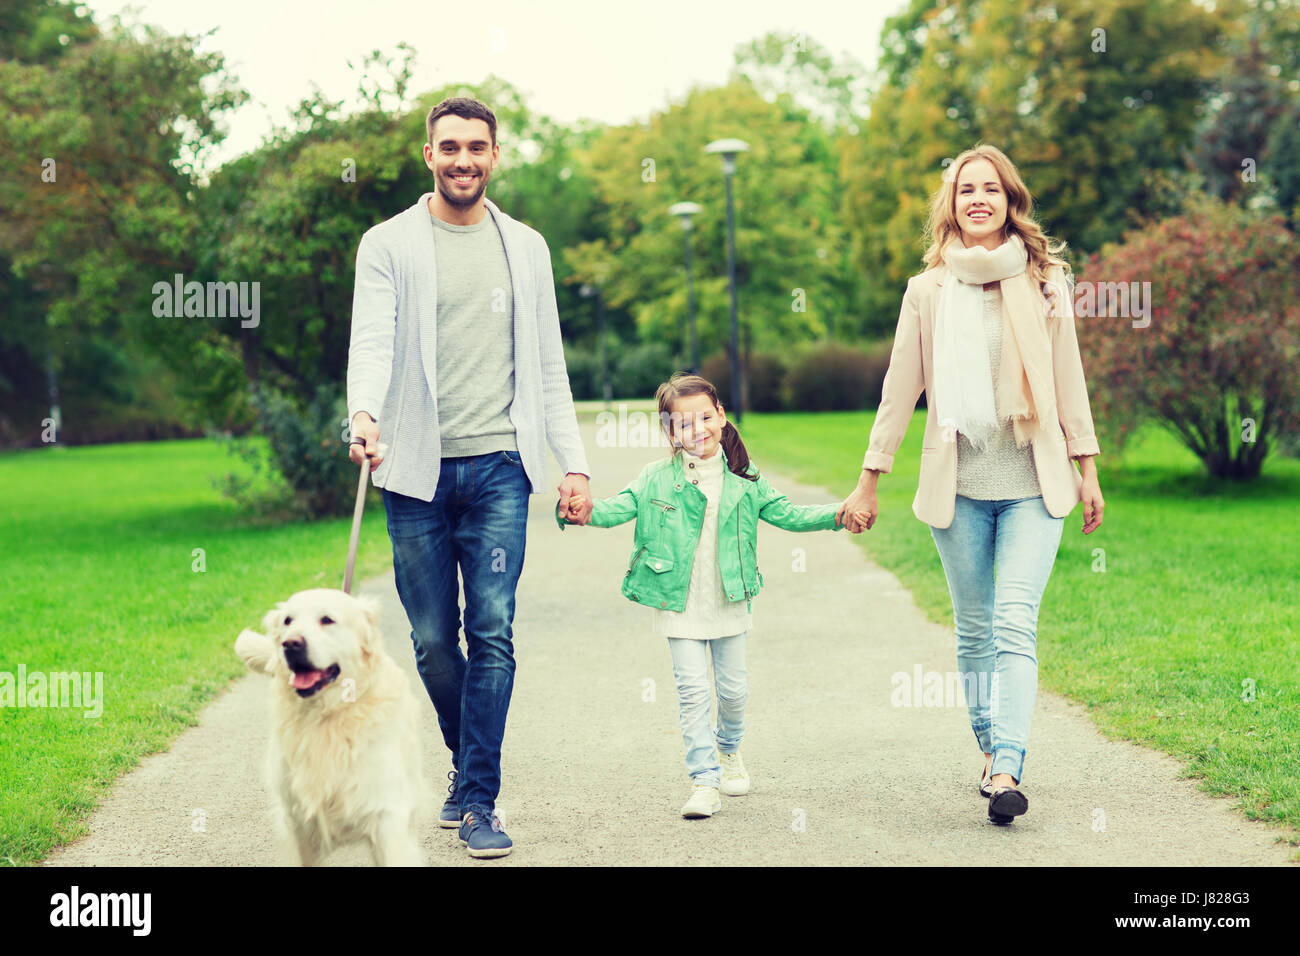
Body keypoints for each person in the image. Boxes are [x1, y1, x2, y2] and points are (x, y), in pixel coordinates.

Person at [346, 96, 594, 859]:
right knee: (429, 640)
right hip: (413, 470)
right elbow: (373, 341)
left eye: (476, 148)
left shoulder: (526, 247)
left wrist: (573, 463)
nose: (463, 160)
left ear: (495, 154)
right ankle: (468, 761)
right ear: (429, 154)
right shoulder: (388, 244)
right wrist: (362, 414)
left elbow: (548, 364)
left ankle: (480, 797)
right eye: (449, 147)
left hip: (498, 470)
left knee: (491, 630)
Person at [838, 143, 1105, 825]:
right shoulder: (927, 292)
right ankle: (990, 753)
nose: (978, 199)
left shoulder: (1046, 280)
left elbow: (1067, 376)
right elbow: (901, 389)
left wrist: (1087, 464)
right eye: (966, 191)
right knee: (975, 629)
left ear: (1011, 202)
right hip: (957, 486)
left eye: (991, 189)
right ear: (951, 207)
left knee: (1015, 622)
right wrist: (870, 478)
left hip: (1032, 482)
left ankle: (1009, 765)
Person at [559, 373, 864, 818]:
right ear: (671, 433)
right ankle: (703, 781)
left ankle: (729, 751)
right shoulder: (655, 479)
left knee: (734, 692)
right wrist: (584, 510)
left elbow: (789, 514)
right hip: (677, 601)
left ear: (720, 416)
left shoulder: (745, 478)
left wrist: (837, 514)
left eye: (706, 416)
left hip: (729, 598)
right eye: (684, 423)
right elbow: (615, 508)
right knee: (692, 692)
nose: (697, 429)